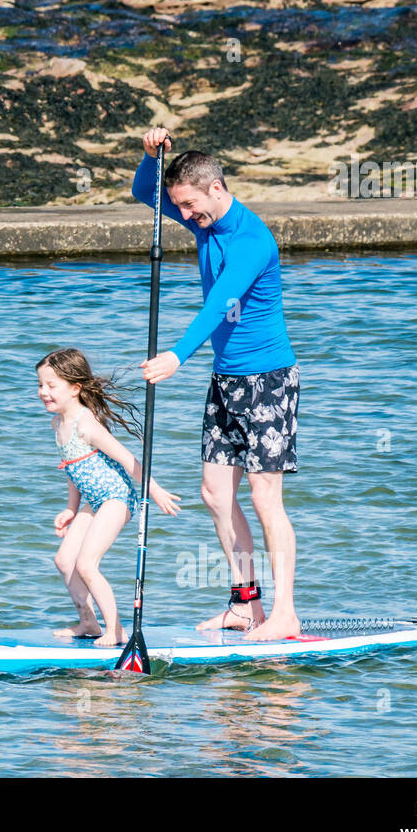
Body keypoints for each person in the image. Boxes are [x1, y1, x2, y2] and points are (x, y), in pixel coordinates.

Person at [133, 126, 301, 641]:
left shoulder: (251, 240)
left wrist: (177, 356)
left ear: (216, 188)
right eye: (179, 207)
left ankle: (285, 614)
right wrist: (148, 158)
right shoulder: (204, 223)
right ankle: (244, 603)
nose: (183, 217)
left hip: (268, 380)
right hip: (226, 379)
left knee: (265, 497)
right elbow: (144, 192)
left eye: (189, 206)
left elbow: (220, 302)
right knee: (213, 492)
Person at [38, 348, 181, 646]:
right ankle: (89, 623)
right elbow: (72, 469)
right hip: (94, 500)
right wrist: (70, 509)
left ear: (75, 388)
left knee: (87, 564)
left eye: (52, 386)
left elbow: (129, 460)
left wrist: (154, 490)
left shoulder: (86, 424)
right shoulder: (58, 424)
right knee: (64, 560)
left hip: (117, 497)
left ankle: (115, 629)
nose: (44, 392)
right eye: (41, 385)